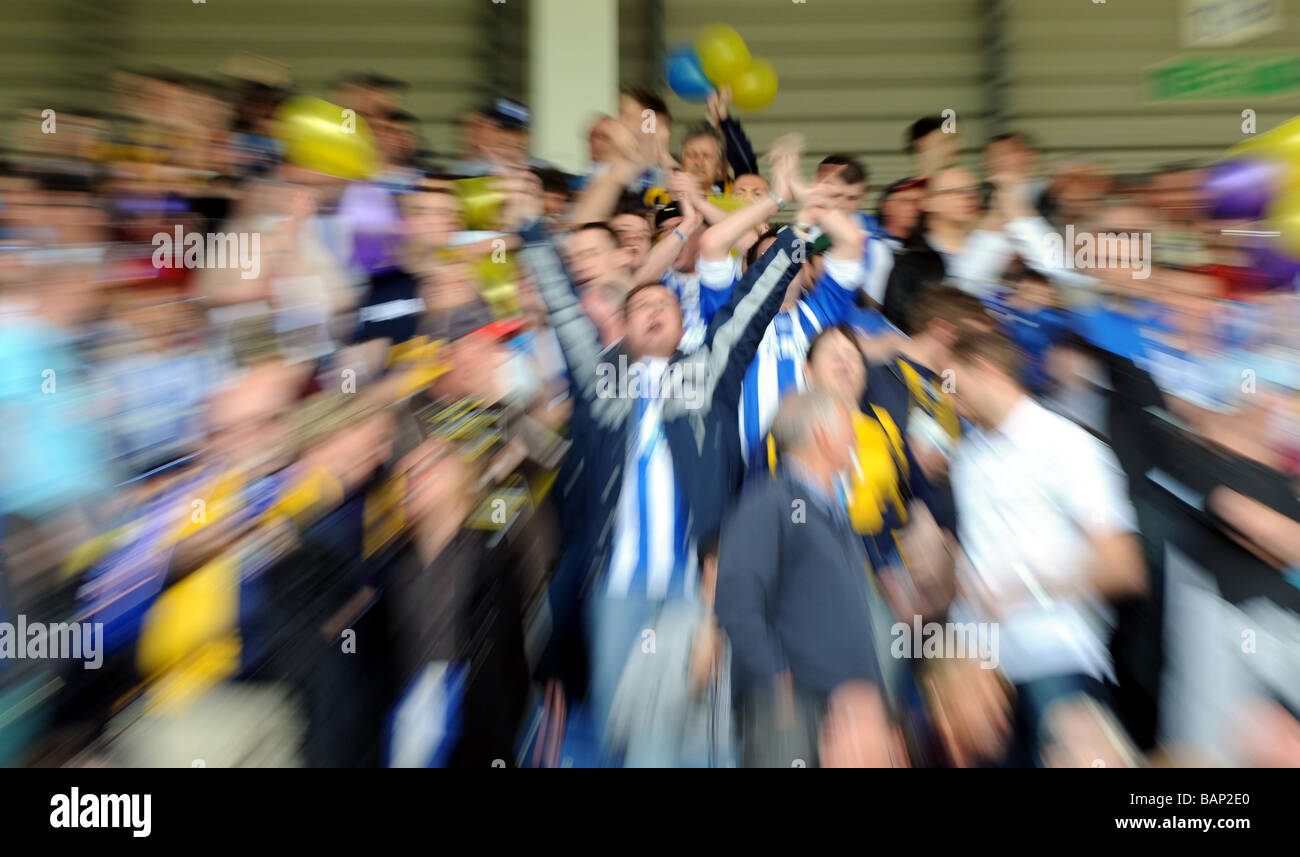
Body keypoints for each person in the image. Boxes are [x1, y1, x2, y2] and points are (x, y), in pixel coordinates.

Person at [509, 149, 811, 764]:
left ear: (683, 327)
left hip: (691, 591)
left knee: (704, 736)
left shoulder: (706, 374)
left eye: (665, 306)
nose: (651, 312)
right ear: (619, 328)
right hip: (616, 591)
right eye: (639, 308)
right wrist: (529, 229)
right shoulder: (599, 384)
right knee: (633, 743)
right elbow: (564, 308)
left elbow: (753, 301)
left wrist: (792, 217)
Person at [947, 330, 1147, 765]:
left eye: (956, 385)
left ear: (986, 369)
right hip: (985, 679)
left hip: (1055, 661)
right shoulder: (967, 458)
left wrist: (1023, 589)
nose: (952, 401)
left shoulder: (1069, 446)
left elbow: (1123, 565)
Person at [714, 389, 888, 767]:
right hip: (790, 719)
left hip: (847, 717)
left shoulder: (834, 517)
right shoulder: (769, 503)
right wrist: (776, 679)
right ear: (823, 435)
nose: (857, 438)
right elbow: (734, 599)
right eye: (849, 428)